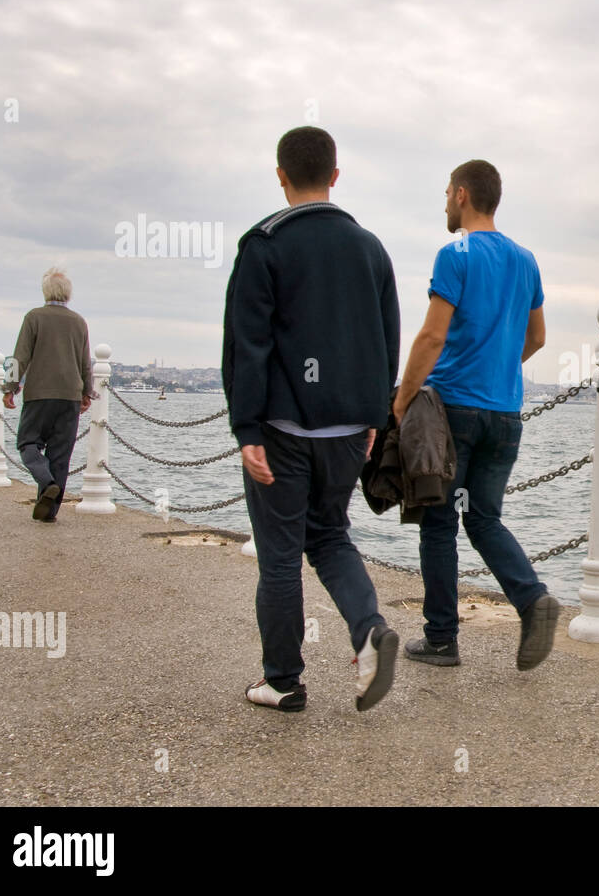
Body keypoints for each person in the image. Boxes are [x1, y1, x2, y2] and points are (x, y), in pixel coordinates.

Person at [222, 126, 401, 713]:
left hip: (282, 431)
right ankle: (369, 631)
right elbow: (385, 340)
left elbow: (246, 345)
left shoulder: (264, 245)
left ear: (280, 175)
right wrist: (374, 415)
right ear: (335, 175)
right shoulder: (371, 248)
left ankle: (282, 681)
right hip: (350, 430)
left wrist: (247, 429)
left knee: (279, 556)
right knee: (329, 538)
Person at [394, 160, 559, 671]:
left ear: (463, 195)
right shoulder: (526, 260)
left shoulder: (455, 254)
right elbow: (537, 338)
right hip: (505, 414)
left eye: (446, 193)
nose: (444, 202)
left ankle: (442, 640)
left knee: (439, 524)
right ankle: (532, 601)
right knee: (484, 518)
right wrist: (497, 370)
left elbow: (432, 336)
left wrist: (401, 400)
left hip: (454, 414)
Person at [1, 268, 93, 523]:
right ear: (68, 293)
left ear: (46, 291)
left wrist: (9, 388)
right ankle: (49, 512)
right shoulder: (79, 321)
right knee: (60, 456)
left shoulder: (34, 317)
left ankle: (45, 481)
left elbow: (19, 355)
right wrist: (87, 392)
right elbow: (86, 362)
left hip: (39, 394)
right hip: (70, 396)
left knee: (27, 443)